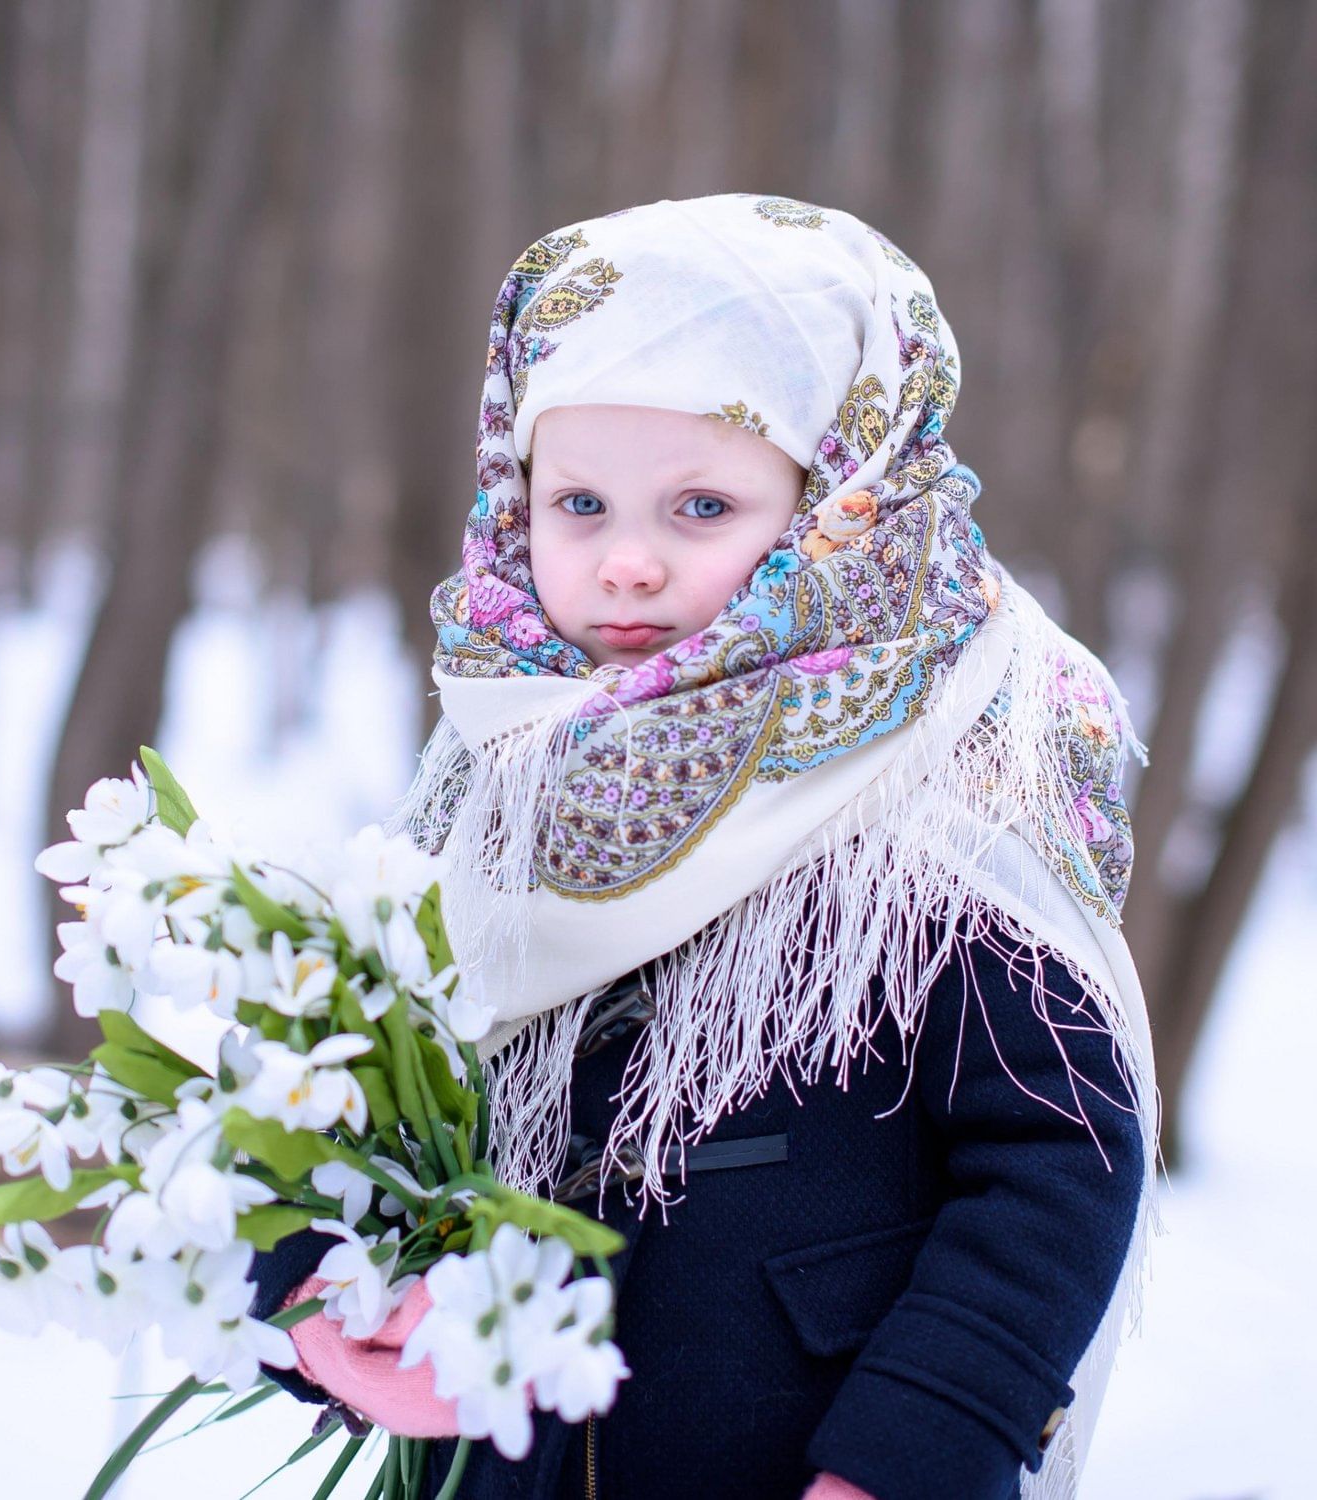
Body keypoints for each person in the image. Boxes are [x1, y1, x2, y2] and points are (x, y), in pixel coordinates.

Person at [246, 194, 1157, 1500]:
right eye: (579, 501)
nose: (624, 562)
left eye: (700, 506)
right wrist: (324, 1299)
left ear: (836, 501)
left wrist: (914, 1453)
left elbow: (1057, 1154)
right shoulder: (490, 777)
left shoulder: (920, 796)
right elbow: (357, 1095)